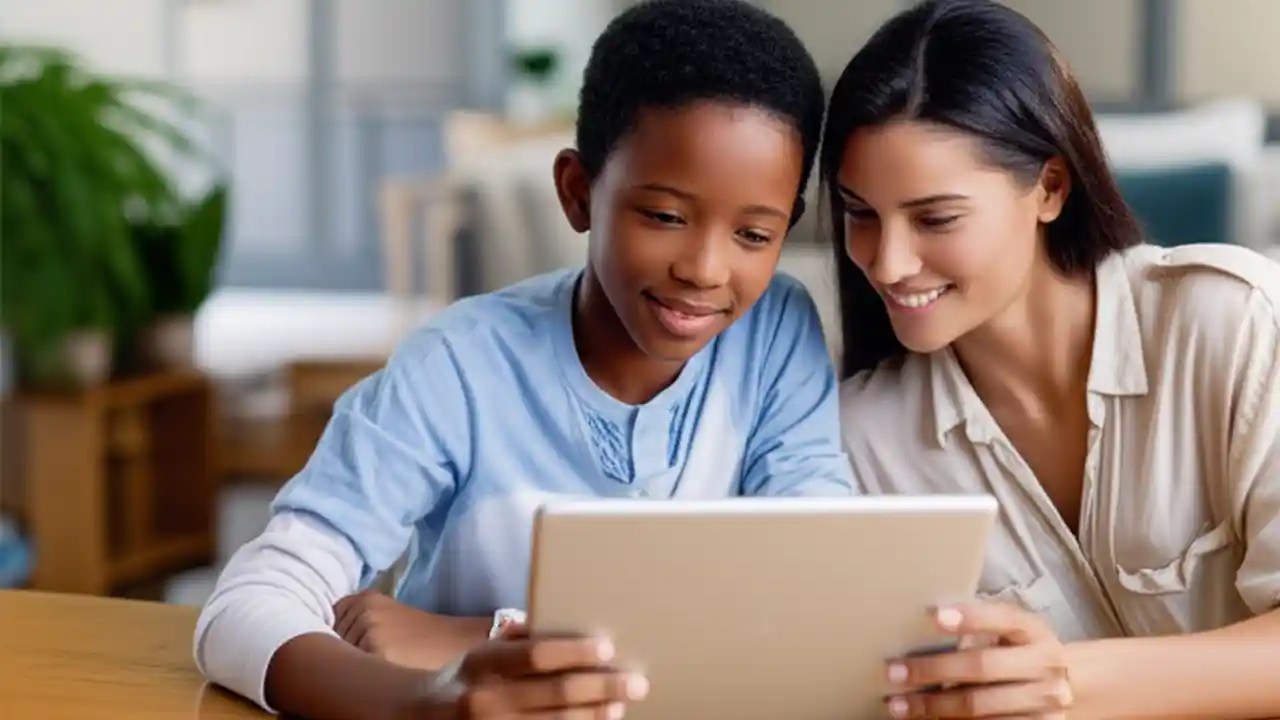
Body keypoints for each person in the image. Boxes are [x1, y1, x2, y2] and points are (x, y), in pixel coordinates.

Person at [195, 1, 852, 718]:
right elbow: (245, 608)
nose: (704, 268)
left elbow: (811, 587)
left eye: (755, 235)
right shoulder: (459, 367)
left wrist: (478, 635)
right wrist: (424, 704)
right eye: (664, 216)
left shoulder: (777, 333)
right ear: (578, 191)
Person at [824, 1, 1280, 718]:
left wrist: (1067, 679)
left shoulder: (1228, 324)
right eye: (860, 214)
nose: (888, 262)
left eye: (935, 218)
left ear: (1051, 188)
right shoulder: (860, 441)